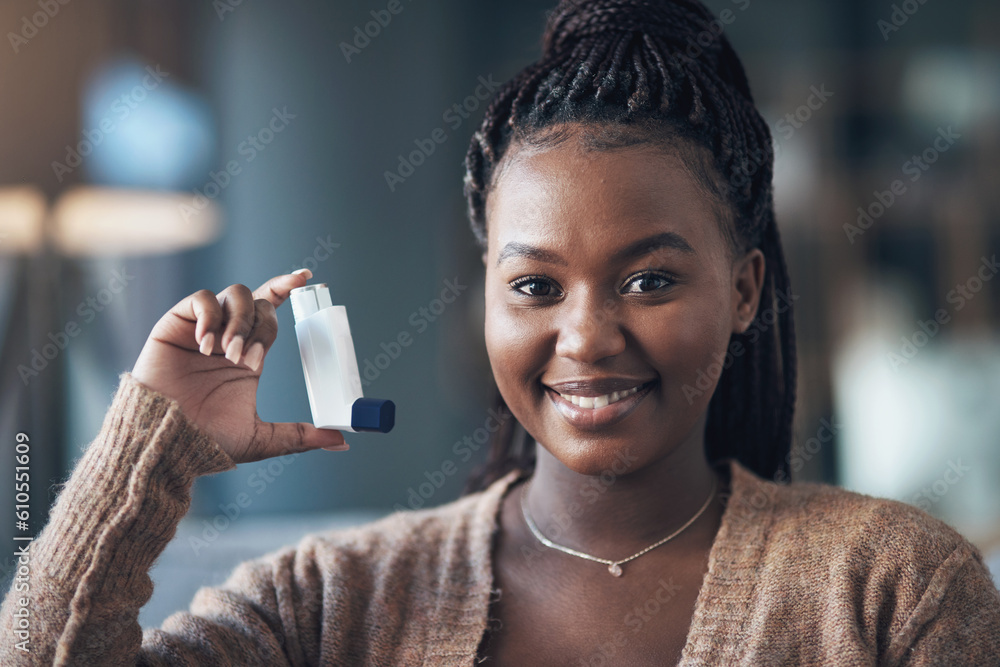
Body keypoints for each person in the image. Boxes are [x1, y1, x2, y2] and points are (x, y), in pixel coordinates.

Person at [3, 0, 999, 664]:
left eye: (648, 278)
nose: (586, 334)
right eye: (534, 285)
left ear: (742, 291)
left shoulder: (888, 588)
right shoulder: (334, 597)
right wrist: (148, 449)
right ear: (484, 296)